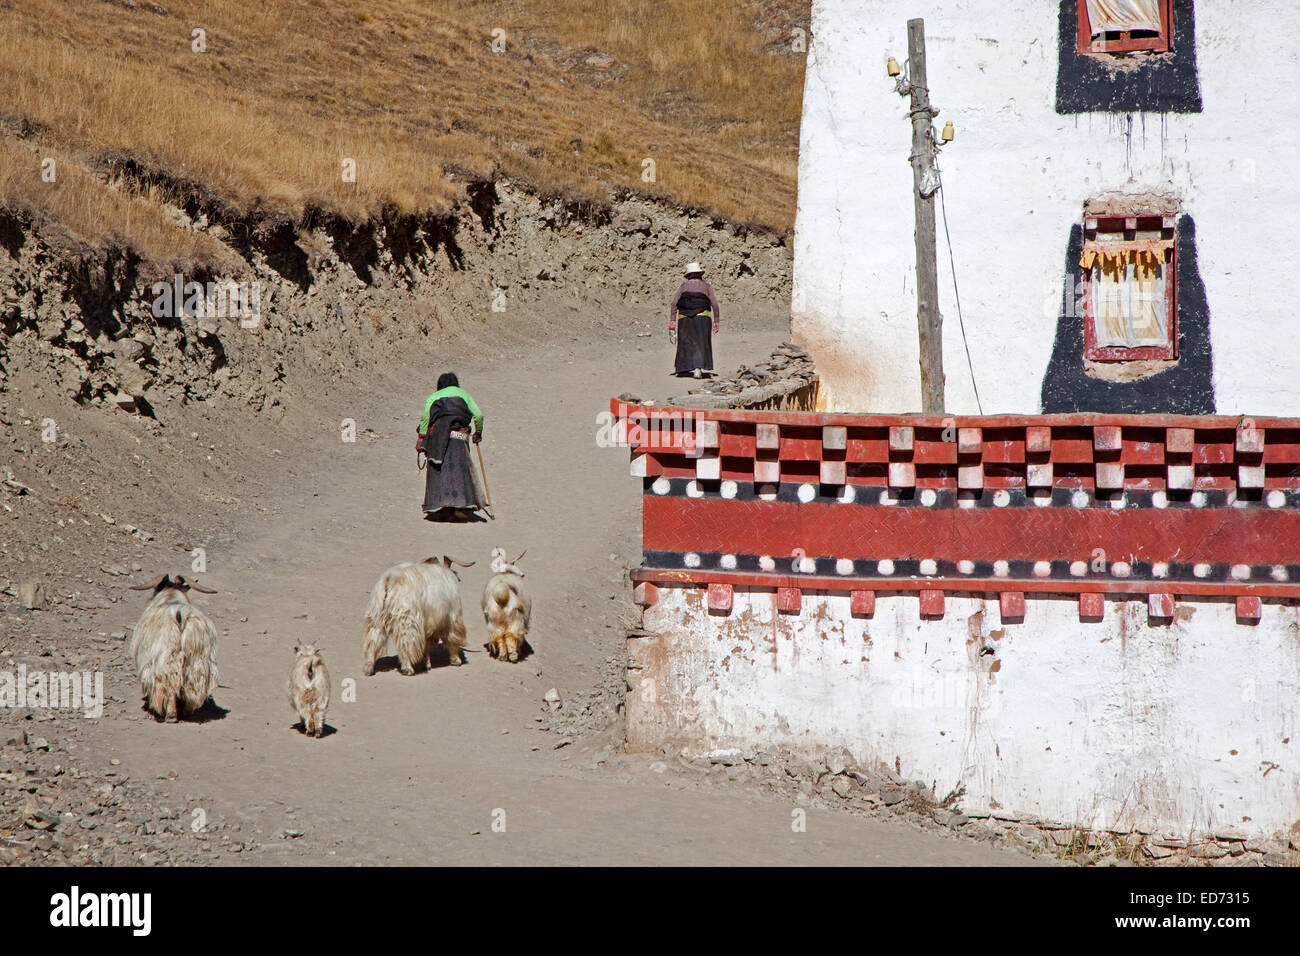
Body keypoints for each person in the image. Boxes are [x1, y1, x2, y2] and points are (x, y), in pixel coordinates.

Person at [417, 372, 487, 521]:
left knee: (439, 470)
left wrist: (421, 437)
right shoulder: (463, 394)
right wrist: (478, 433)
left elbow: (425, 418)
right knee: (459, 470)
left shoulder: (434, 396)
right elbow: (479, 415)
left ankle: (442, 507)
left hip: (437, 439)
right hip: (459, 437)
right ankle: (461, 507)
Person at [669, 261, 720, 378]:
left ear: (689, 275)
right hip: (703, 317)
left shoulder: (683, 286)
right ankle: (698, 369)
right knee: (701, 342)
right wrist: (716, 321)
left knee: (685, 342)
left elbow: (674, 304)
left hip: (684, 318)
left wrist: (672, 321)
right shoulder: (706, 286)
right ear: (699, 274)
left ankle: (683, 368)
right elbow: (715, 305)